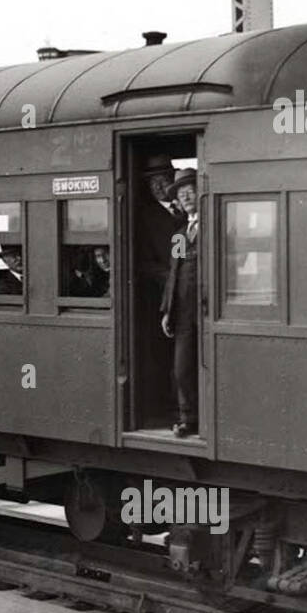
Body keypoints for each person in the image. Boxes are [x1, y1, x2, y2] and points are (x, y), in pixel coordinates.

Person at [137, 155, 185, 424]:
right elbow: (143, 262)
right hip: (160, 297)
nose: (157, 186)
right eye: (152, 182)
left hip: (187, 292)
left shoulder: (187, 209)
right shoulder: (145, 216)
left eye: (162, 180)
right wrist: (171, 277)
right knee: (167, 356)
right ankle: (173, 409)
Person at [160, 169, 199, 437]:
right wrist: (167, 310)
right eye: (179, 192)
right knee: (182, 368)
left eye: (189, 188)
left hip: (208, 308)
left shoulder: (218, 225)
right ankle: (188, 417)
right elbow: (173, 274)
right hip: (183, 311)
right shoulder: (179, 233)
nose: (184, 195)